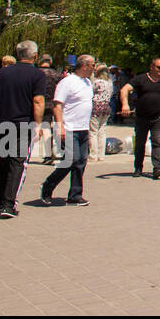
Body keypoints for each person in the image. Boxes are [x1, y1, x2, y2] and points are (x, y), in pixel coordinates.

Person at [0, 40, 46, 218]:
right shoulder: (37, 75)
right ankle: (8, 204)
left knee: (2, 161)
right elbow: (38, 101)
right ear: (35, 56)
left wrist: (0, 111)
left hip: (3, 121)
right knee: (17, 163)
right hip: (23, 123)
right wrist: (38, 124)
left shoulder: (3, 72)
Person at [41, 54, 95, 206]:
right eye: (92, 65)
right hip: (69, 128)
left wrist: (88, 131)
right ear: (83, 66)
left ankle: (75, 195)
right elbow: (57, 105)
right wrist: (60, 126)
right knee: (71, 160)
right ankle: (48, 186)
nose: (94, 68)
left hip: (83, 128)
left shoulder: (87, 83)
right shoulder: (67, 82)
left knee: (81, 162)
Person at [120, 58, 160, 179]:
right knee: (140, 144)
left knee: (157, 142)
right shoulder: (141, 79)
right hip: (142, 117)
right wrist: (125, 104)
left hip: (158, 117)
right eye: (159, 67)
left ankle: (157, 169)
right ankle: (138, 168)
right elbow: (125, 89)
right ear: (151, 67)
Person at [89, 64, 114, 161]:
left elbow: (91, 92)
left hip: (96, 106)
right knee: (102, 131)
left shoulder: (96, 82)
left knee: (93, 132)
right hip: (106, 106)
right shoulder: (109, 83)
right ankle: (101, 155)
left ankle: (93, 154)